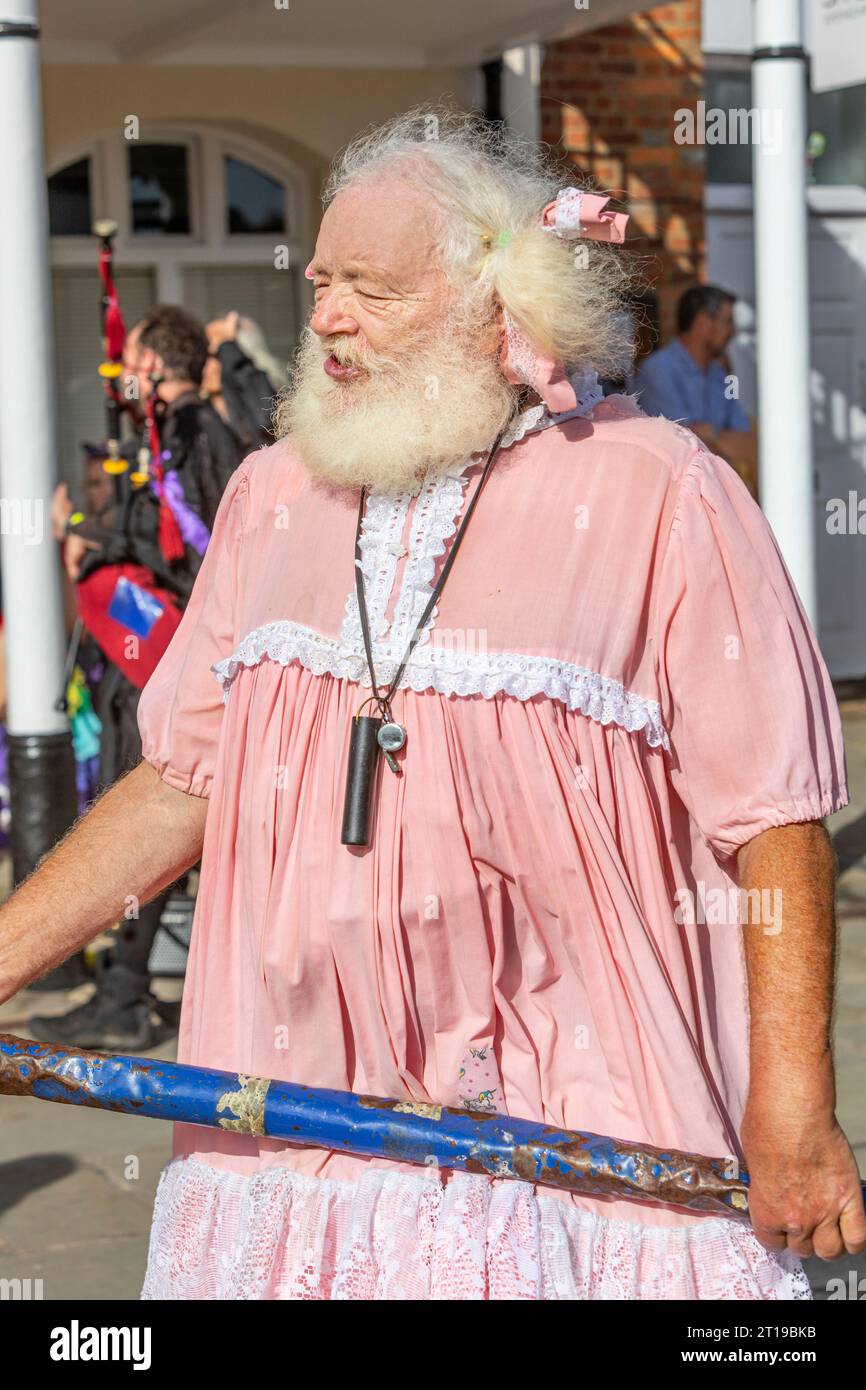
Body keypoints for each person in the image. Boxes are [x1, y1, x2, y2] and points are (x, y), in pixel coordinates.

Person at [0, 110, 863, 1300]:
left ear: (504, 309)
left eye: (373, 288)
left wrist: (792, 1105)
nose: (328, 319)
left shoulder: (658, 493)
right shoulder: (270, 496)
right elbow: (181, 782)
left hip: (582, 1146)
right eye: (320, 282)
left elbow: (770, 819)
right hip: (296, 1132)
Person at [27, 308, 244, 1049]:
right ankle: (119, 987)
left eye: (132, 356)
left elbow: (191, 547)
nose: (123, 371)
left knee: (153, 825)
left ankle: (126, 996)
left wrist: (95, 539)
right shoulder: (159, 438)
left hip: (166, 653)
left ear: (154, 359)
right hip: (135, 658)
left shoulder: (196, 436)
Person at [631, 284, 759, 497]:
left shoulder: (719, 374)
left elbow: (746, 439)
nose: (733, 331)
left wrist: (712, 434)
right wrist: (714, 437)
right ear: (702, 323)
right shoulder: (659, 370)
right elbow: (683, 445)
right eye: (728, 321)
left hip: (717, 495)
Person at [202, 310, 285, 453]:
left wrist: (227, 346)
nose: (203, 362)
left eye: (214, 354)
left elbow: (263, 421)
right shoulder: (201, 414)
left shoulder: (265, 398)